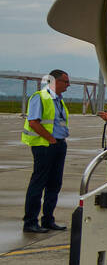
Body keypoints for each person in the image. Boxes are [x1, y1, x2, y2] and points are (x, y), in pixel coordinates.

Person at [21, 69, 71, 233]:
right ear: (55, 82)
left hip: (58, 145)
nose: (68, 85)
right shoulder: (40, 97)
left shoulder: (58, 100)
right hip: (44, 146)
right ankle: (30, 221)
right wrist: (50, 139)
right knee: (39, 182)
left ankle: (48, 219)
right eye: (65, 82)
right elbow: (34, 122)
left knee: (54, 184)